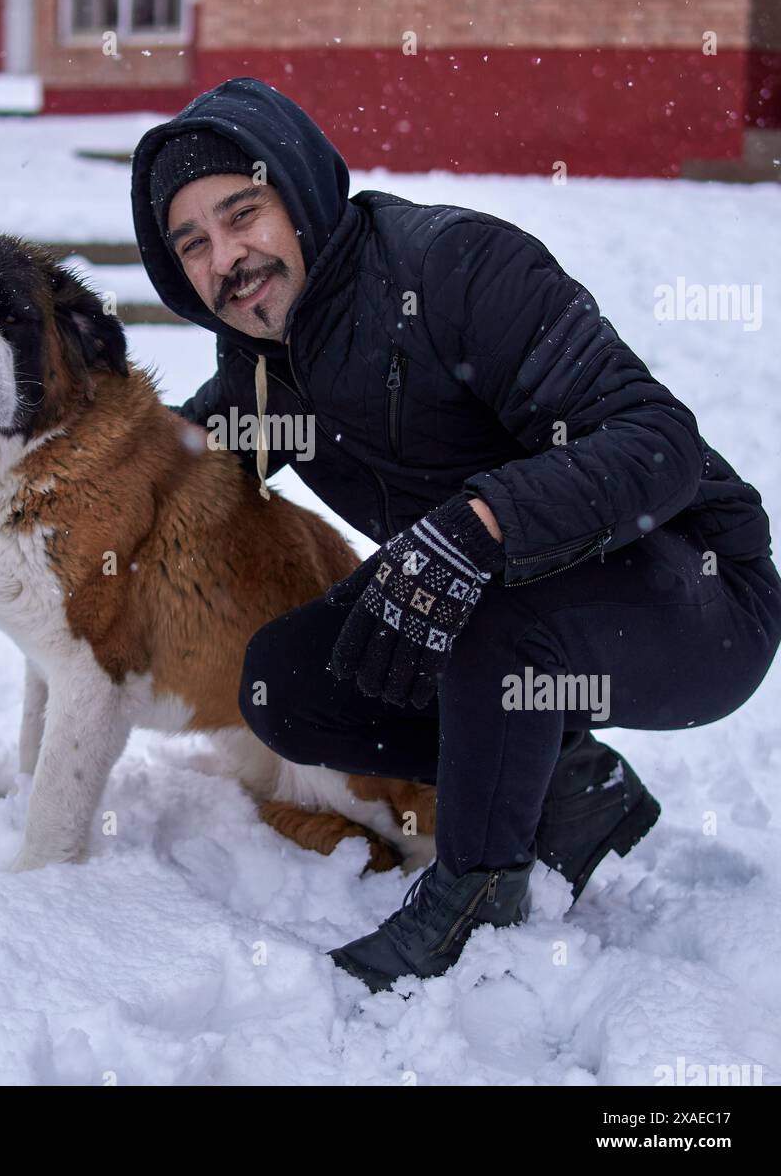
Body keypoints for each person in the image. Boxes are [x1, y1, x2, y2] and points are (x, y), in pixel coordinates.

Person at [124, 75, 781, 994]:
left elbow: (656, 441)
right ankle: (571, 787)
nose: (227, 257)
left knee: (486, 605)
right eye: (193, 243)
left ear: (300, 196)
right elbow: (178, 462)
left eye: (244, 214)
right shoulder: (266, 368)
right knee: (287, 684)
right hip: (508, 605)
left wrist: (479, 528)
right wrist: (18, 474)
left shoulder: (456, 267)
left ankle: (478, 896)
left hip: (697, 595)